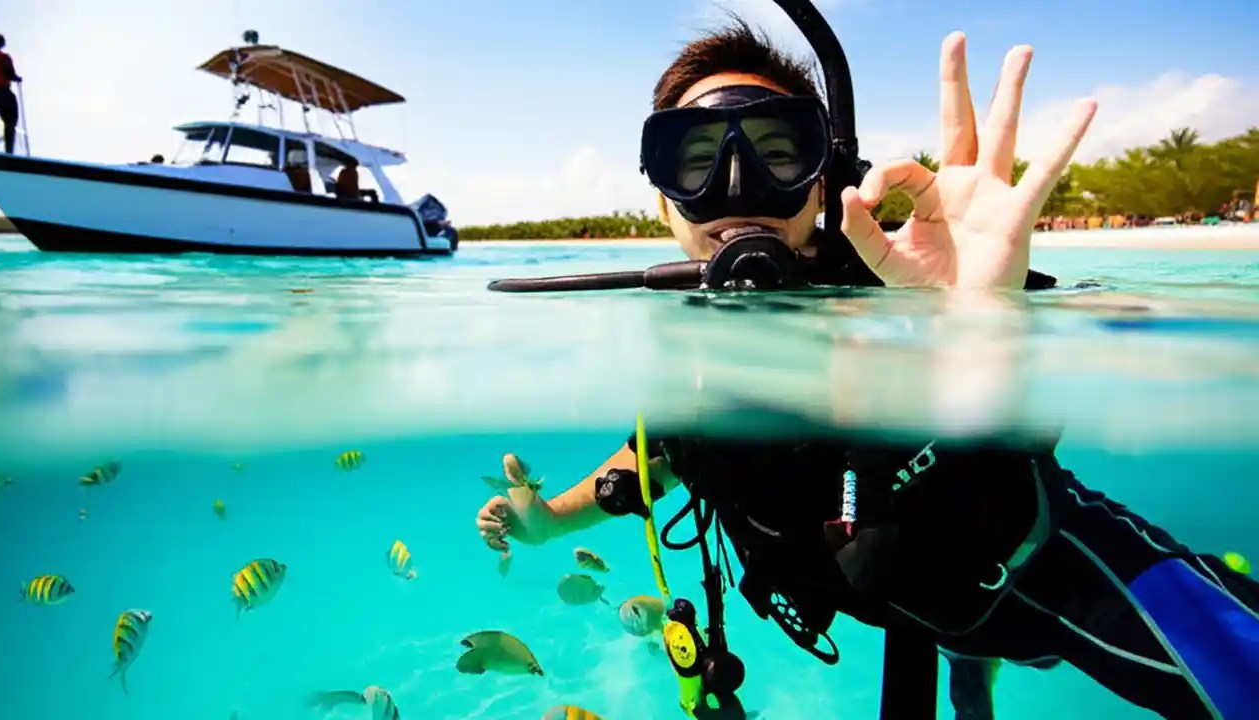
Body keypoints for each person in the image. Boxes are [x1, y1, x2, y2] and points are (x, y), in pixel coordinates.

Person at [476, 20, 1259, 720]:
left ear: (825, 183)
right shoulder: (688, 359)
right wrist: (547, 522)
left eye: (779, 151)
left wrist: (979, 323)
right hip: (909, 610)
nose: (738, 186)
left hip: (1034, 577)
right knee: (958, 662)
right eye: (697, 160)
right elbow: (659, 455)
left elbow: (1021, 414)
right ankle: (966, 668)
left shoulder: (902, 291)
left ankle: (973, 659)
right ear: (662, 205)